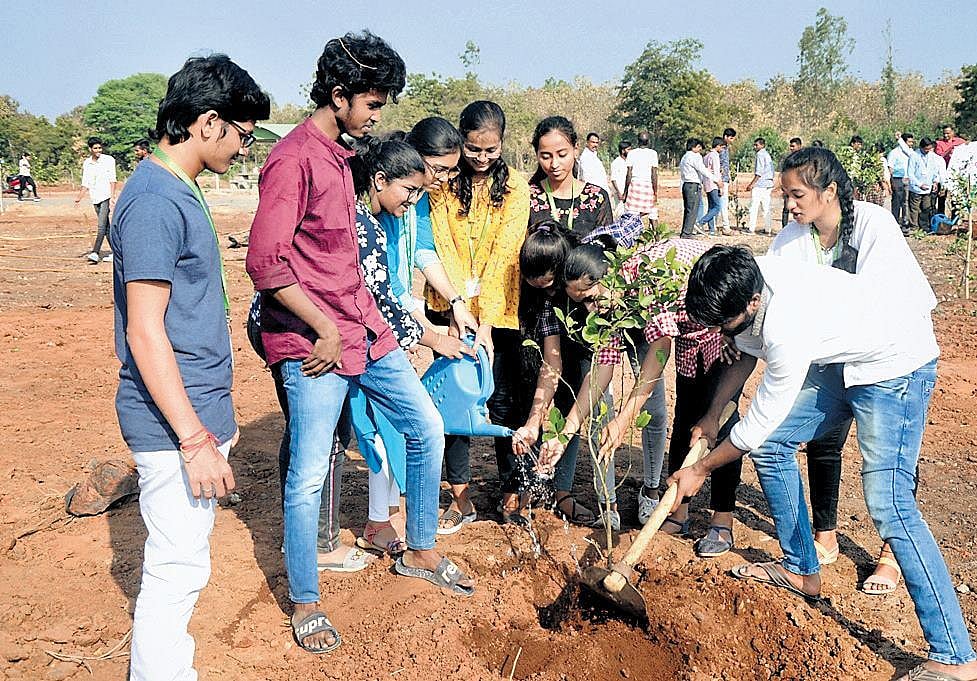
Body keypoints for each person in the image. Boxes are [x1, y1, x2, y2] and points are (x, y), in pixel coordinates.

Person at [246, 31, 474, 656]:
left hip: (363, 330)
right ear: (339, 96)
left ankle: (421, 550)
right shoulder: (292, 159)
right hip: (311, 343)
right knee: (308, 475)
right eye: (372, 106)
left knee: (426, 428)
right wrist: (320, 326)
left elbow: (348, 260)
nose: (378, 118)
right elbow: (266, 265)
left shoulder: (348, 158)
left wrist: (378, 325)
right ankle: (306, 600)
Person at [671, 245, 977, 681]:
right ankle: (800, 570)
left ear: (752, 303)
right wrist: (712, 414)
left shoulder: (786, 325)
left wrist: (700, 470)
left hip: (896, 366)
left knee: (890, 504)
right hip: (847, 359)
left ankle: (954, 656)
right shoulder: (743, 278)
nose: (721, 331)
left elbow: (757, 423)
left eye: (725, 322)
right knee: (775, 447)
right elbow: (743, 352)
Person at [111, 54, 269, 681]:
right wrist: (195, 438)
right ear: (208, 123)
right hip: (176, 424)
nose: (244, 146)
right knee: (175, 570)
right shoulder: (154, 201)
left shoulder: (177, 190)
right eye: (242, 133)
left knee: (184, 564)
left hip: (195, 412)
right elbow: (145, 330)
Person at [770, 145, 928, 593]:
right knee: (818, 442)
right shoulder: (788, 241)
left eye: (797, 194)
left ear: (830, 190)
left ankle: (890, 558)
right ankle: (821, 541)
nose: (789, 204)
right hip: (829, 360)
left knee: (889, 470)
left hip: (890, 362)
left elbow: (876, 305)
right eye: (785, 195)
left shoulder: (875, 225)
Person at [538, 237, 742, 552]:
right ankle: (679, 510)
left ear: (608, 276)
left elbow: (658, 357)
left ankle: (721, 521)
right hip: (689, 330)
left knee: (722, 415)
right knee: (688, 417)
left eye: (592, 297)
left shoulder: (647, 279)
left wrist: (623, 420)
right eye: (582, 302)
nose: (592, 308)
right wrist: (564, 433)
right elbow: (601, 371)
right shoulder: (612, 306)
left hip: (721, 314)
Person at [424, 100, 530, 531]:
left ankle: (511, 492)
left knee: (504, 402)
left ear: (502, 143)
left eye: (491, 150)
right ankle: (460, 496)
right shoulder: (444, 184)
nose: (483, 158)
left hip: (500, 312)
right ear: (461, 141)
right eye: (473, 149)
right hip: (449, 307)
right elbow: (441, 244)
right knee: (454, 399)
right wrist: (455, 307)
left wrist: (483, 320)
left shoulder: (517, 187)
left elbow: (506, 253)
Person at [528, 116, 612, 242]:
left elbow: (608, 253)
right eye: (546, 157)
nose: (554, 164)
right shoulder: (526, 197)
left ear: (576, 149)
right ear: (537, 155)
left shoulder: (597, 198)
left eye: (562, 155)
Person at [75, 137, 118, 263]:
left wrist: (112, 196)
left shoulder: (109, 160)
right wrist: (79, 198)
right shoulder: (87, 163)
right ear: (90, 149)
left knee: (100, 226)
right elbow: (86, 182)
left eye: (100, 148)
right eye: (95, 148)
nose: (98, 150)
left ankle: (95, 252)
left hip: (105, 196)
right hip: (95, 197)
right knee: (106, 228)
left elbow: (112, 179)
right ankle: (117, 252)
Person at [678, 138, 719, 238]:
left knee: (688, 209)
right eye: (698, 147)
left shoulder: (684, 157)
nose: (700, 149)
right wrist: (716, 180)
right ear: (693, 147)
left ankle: (686, 232)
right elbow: (702, 170)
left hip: (686, 185)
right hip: (693, 185)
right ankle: (687, 233)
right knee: (692, 210)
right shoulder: (694, 156)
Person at [622, 131, 659, 226]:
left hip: (635, 186)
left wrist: (625, 192)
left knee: (632, 214)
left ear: (637, 141)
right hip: (647, 186)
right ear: (649, 142)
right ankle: (657, 238)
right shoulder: (653, 154)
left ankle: (631, 236)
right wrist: (655, 192)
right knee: (652, 213)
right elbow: (654, 174)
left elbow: (629, 174)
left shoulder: (632, 153)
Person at [907, 137, 942, 232]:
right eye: (926, 149)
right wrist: (919, 184)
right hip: (916, 188)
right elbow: (910, 173)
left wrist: (935, 182)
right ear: (921, 147)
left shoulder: (932, 156)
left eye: (929, 149)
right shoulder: (914, 155)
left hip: (928, 187)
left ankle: (924, 226)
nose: (928, 151)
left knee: (926, 208)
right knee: (914, 209)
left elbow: (935, 170)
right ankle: (914, 227)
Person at [745, 137, 774, 234]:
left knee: (754, 207)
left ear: (762, 145)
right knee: (766, 207)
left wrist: (752, 184)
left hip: (760, 184)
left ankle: (751, 228)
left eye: (756, 145)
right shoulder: (767, 154)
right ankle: (767, 229)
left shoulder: (760, 154)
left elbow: (759, 172)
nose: (755, 147)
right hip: (768, 183)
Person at [698, 137, 727, 235]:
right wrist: (720, 186)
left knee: (711, 207)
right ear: (718, 146)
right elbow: (716, 172)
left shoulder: (706, 156)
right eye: (722, 148)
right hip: (714, 184)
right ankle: (700, 223)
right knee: (717, 207)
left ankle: (711, 230)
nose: (722, 150)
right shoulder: (715, 156)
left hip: (707, 184)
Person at [887, 133, 915, 233]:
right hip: (897, 179)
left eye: (912, 141)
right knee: (896, 202)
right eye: (909, 142)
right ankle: (895, 222)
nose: (911, 144)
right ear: (903, 142)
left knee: (906, 202)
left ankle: (905, 222)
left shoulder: (911, 152)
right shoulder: (894, 153)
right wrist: (891, 182)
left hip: (908, 179)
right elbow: (890, 167)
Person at [778, 138, 802, 228]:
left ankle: (798, 227)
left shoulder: (804, 158)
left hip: (800, 187)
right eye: (790, 146)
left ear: (799, 146)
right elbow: (783, 173)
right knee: (786, 208)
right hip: (789, 186)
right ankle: (784, 228)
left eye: (793, 146)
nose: (791, 148)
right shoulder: (788, 159)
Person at [718, 128, 737, 232]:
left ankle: (716, 226)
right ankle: (726, 227)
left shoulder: (726, 148)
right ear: (725, 137)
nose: (732, 140)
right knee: (722, 204)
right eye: (731, 138)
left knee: (719, 204)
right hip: (720, 180)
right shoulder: (721, 149)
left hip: (724, 179)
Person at [609, 139, 630, 215]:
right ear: (623, 151)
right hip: (619, 193)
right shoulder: (616, 162)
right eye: (628, 149)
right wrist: (618, 192)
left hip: (627, 192)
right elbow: (613, 179)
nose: (630, 151)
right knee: (619, 213)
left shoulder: (629, 162)